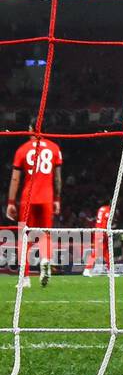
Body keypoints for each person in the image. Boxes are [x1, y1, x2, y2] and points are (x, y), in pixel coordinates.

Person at [7, 119, 62, 289]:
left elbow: (15, 178)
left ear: (31, 129)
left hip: (28, 198)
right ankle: (45, 260)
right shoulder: (54, 148)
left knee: (25, 238)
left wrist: (11, 202)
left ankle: (24, 279)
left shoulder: (22, 149)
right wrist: (57, 199)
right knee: (45, 234)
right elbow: (58, 178)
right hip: (47, 197)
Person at [82, 204, 111, 276]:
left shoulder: (101, 208)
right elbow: (105, 223)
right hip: (102, 232)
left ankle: (110, 271)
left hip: (99, 230)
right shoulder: (108, 210)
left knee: (108, 252)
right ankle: (87, 269)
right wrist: (104, 234)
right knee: (96, 252)